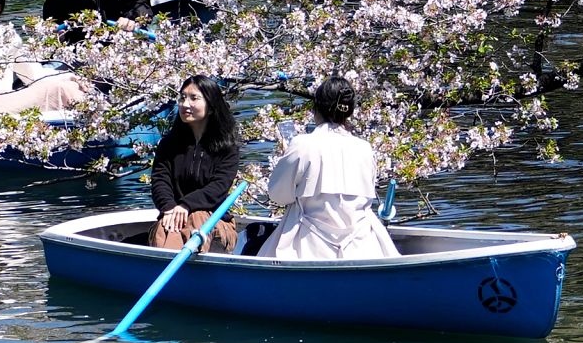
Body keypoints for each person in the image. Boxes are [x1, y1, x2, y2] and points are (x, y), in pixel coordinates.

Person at [256, 76, 399, 260]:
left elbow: (279, 195)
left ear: (316, 109)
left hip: (306, 247)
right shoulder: (364, 148)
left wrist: (288, 157)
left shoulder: (302, 145)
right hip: (363, 246)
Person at [150, 75, 241, 252]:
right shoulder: (169, 144)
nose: (185, 104)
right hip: (173, 216)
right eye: (182, 97)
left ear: (211, 106)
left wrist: (186, 205)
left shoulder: (227, 148)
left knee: (197, 219)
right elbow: (160, 180)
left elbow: (218, 187)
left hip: (212, 219)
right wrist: (169, 208)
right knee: (167, 227)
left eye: (194, 98)